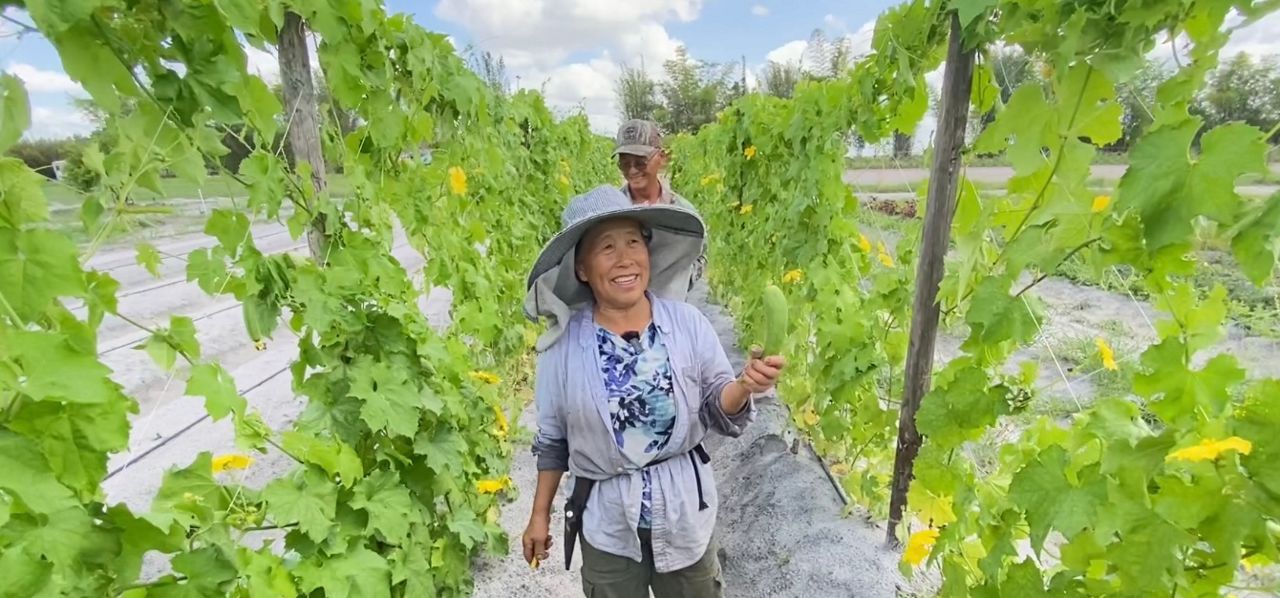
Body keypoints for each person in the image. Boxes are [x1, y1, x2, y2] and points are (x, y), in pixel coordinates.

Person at [521, 185, 785, 597]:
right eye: (606, 247)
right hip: (606, 521)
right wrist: (539, 516)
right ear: (582, 269)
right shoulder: (563, 348)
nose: (624, 258)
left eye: (633, 242)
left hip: (683, 513)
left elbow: (719, 406)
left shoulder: (687, 323)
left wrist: (744, 386)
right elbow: (553, 441)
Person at [614, 119, 707, 291]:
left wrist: (678, 284)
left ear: (661, 158)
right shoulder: (610, 209)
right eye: (625, 163)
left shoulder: (681, 211)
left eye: (640, 162)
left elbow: (700, 255)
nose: (632, 170)